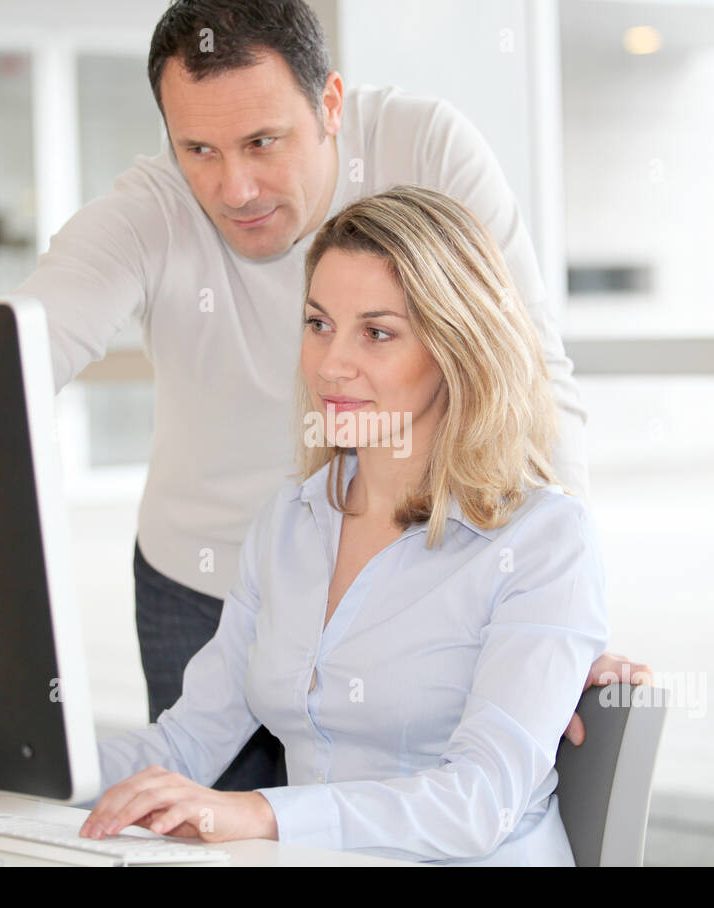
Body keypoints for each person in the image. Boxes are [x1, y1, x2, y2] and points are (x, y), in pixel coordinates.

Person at [11, 0, 637, 792]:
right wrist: (2, 769)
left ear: (330, 104)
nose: (233, 186)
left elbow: (531, 368)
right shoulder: (151, 209)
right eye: (196, 148)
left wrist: (552, 615)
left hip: (420, 561)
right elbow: (26, 345)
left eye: (262, 143)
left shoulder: (426, 145)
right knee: (192, 816)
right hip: (213, 576)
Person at [71, 185, 613, 865]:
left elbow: (481, 802)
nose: (331, 364)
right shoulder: (290, 523)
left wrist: (260, 812)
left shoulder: (543, 540)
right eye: (318, 324)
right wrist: (8, 776)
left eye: (377, 333)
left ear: (456, 347)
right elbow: (185, 743)